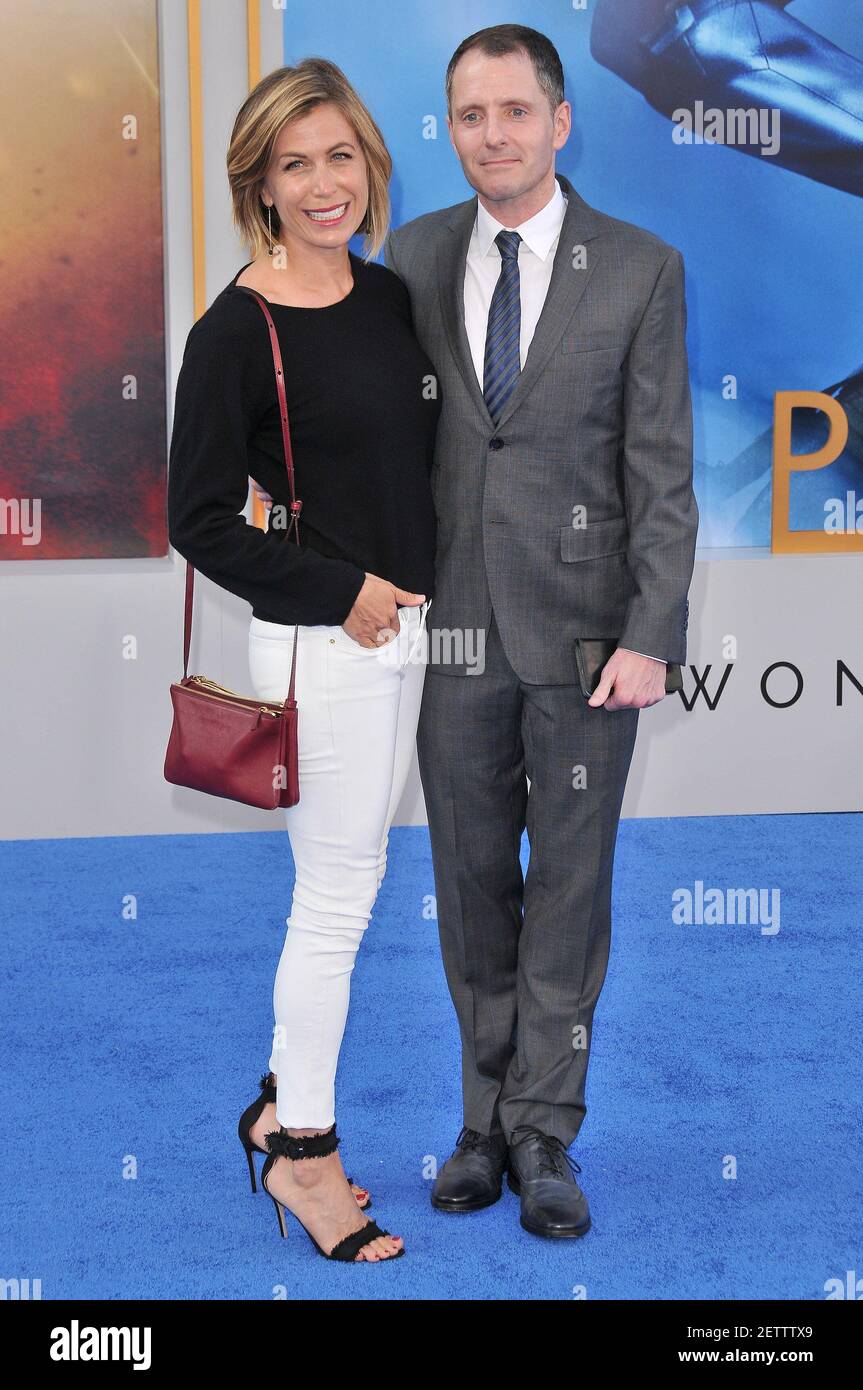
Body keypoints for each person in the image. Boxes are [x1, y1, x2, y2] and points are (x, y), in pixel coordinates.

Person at [384, 24, 699, 1238]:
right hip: (448, 635)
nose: (491, 135)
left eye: (514, 111)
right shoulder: (406, 261)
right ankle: (477, 1121)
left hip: (585, 646)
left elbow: (661, 476)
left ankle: (543, 1131)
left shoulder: (639, 268)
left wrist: (650, 631)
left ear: (560, 122)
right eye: (468, 114)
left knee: (569, 891)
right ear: (448, 128)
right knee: (469, 893)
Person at [167, 58, 440, 1263]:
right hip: (318, 643)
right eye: (295, 165)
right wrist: (341, 592)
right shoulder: (235, 329)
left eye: (340, 155)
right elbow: (199, 518)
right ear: (260, 187)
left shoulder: (384, 300)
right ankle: (304, 1156)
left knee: (352, 885)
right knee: (333, 905)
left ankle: (283, 1102)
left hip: (401, 633)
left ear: (369, 163)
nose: (323, 183)